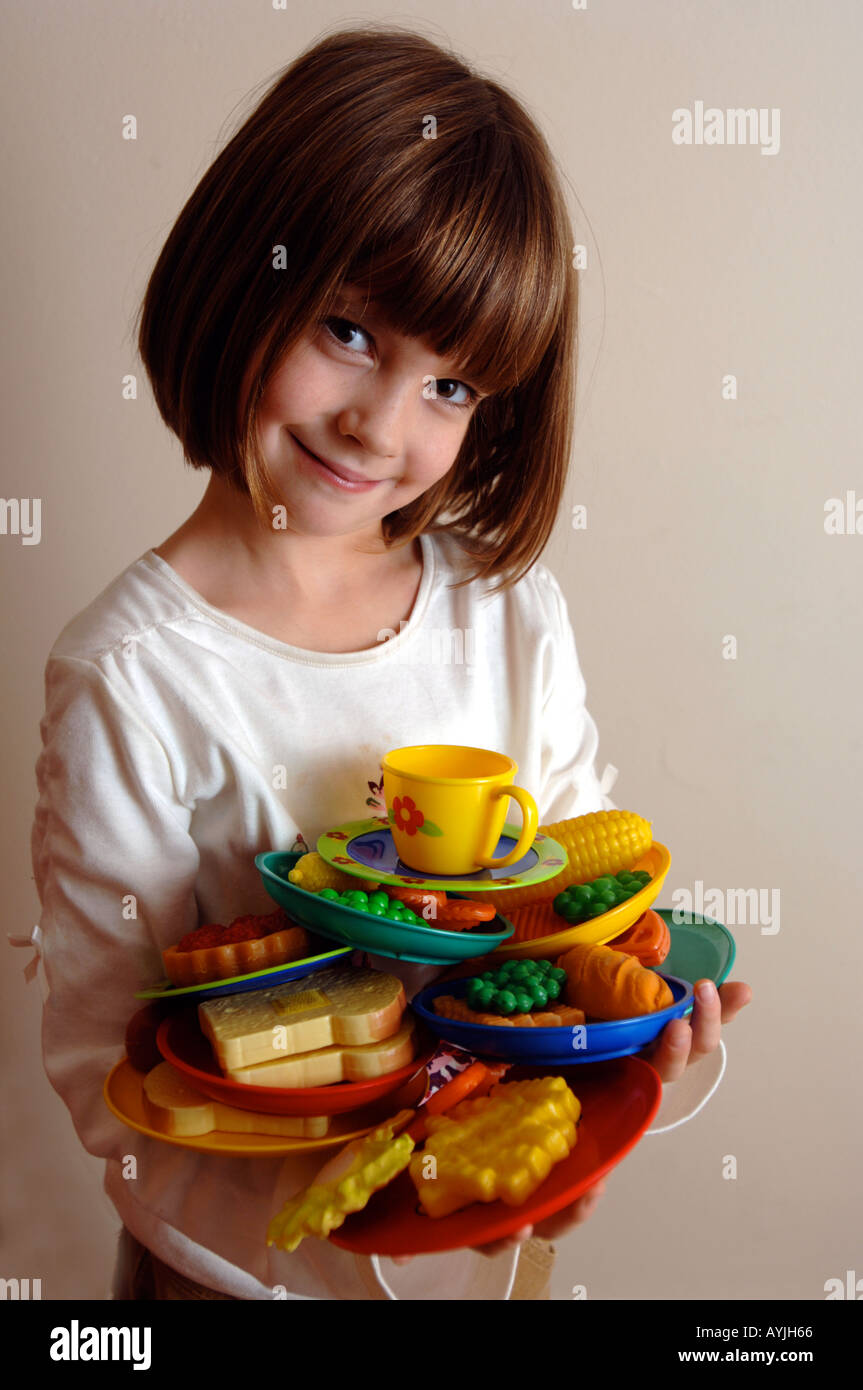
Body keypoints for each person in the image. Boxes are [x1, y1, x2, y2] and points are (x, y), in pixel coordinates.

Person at [29, 25, 751, 1302]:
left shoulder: (507, 615)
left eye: (453, 386)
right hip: (233, 1276)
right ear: (238, 279)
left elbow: (579, 911)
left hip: (479, 1265)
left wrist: (610, 1075)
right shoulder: (131, 677)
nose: (381, 424)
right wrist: (379, 1177)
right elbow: (108, 1072)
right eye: (349, 331)